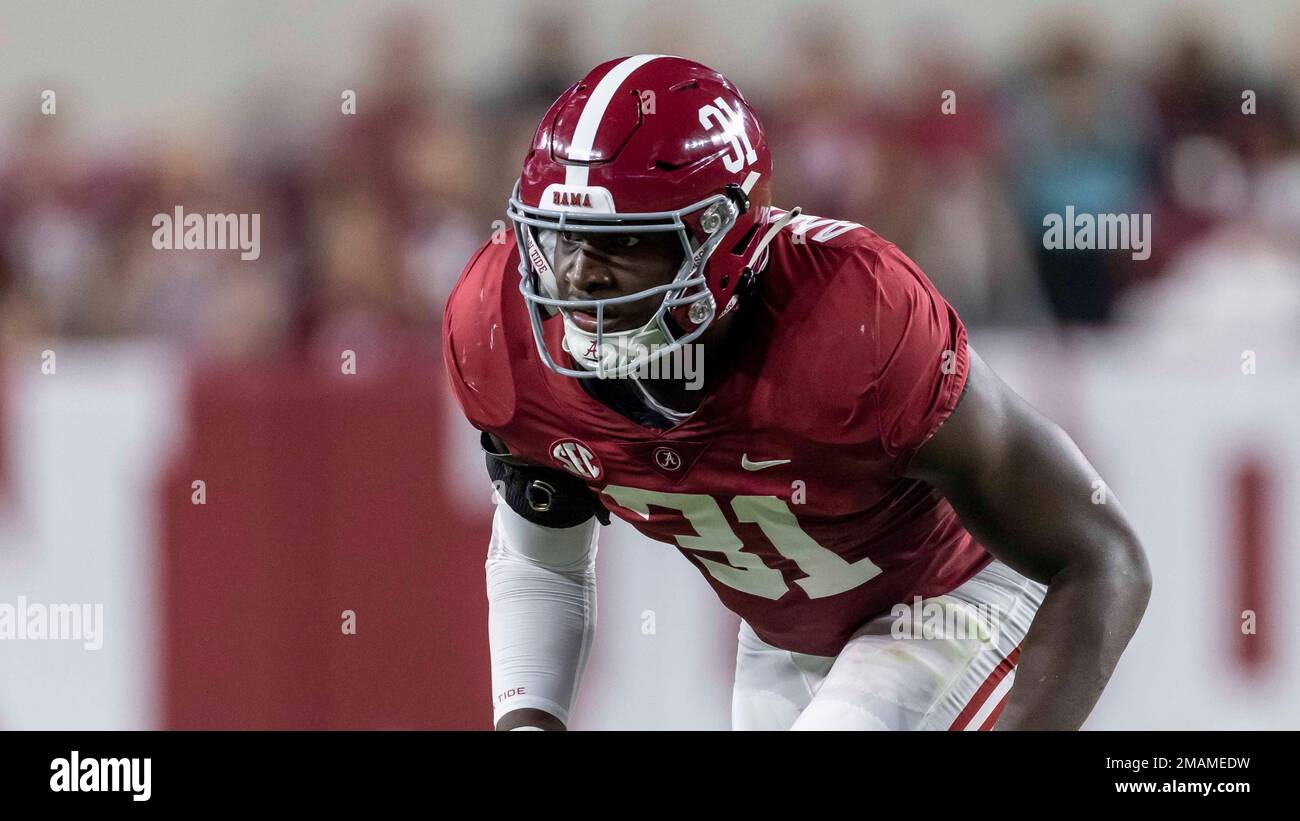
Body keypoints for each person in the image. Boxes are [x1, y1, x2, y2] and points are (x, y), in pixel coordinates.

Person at [442, 55, 1151, 730]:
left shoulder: (852, 322)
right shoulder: (496, 322)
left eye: (623, 243)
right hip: (787, 639)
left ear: (721, 239)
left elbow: (1102, 557)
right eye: (561, 236)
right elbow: (540, 556)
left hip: (947, 597)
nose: (576, 278)